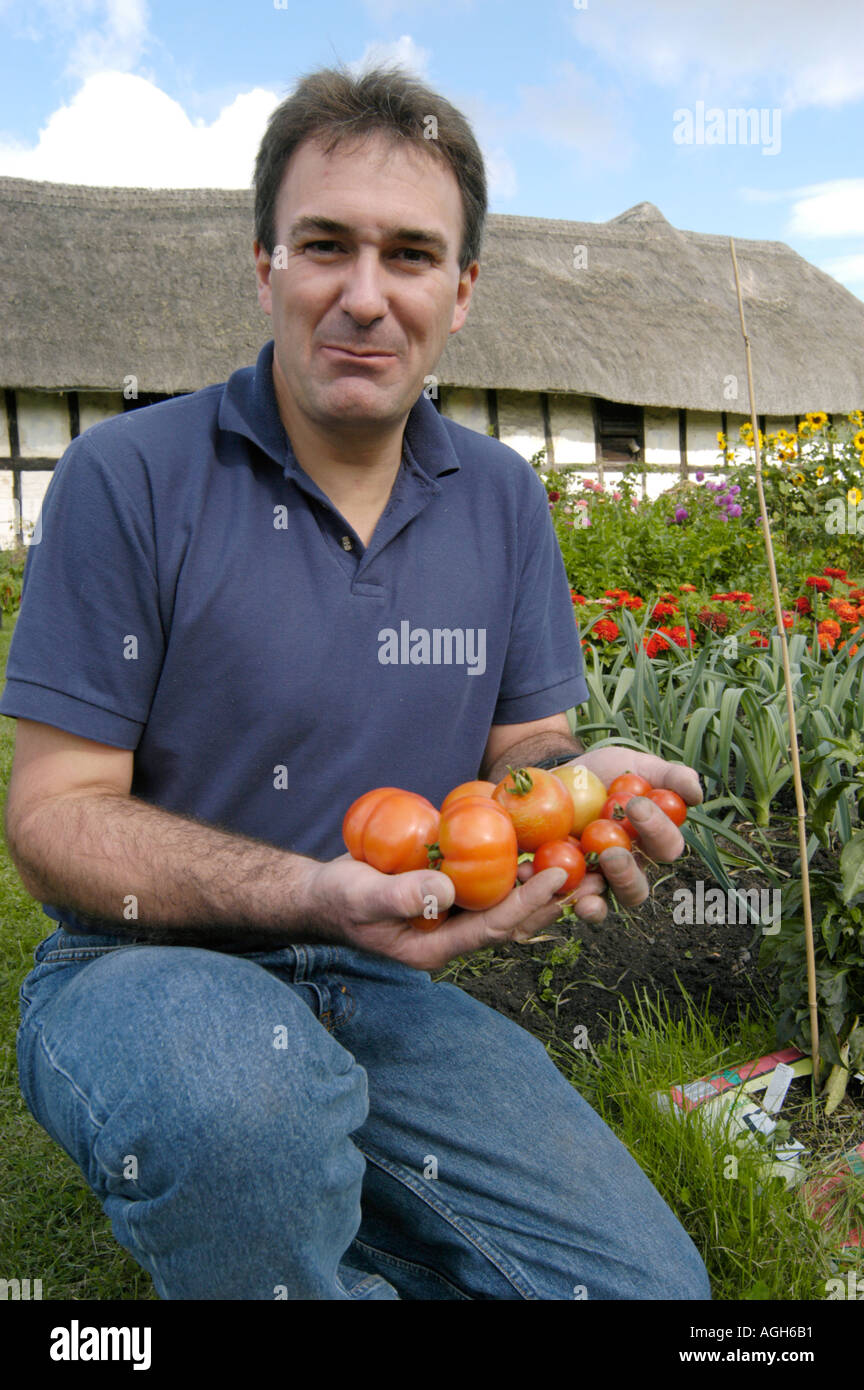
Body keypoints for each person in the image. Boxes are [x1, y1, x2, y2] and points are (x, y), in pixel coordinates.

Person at [2, 63, 710, 1301]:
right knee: (239, 1118)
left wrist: (565, 792)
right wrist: (310, 893)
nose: (365, 297)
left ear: (464, 289)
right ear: (264, 265)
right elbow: (52, 818)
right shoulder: (127, 477)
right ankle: (266, 1184)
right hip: (145, 972)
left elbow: (523, 747)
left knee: (653, 1294)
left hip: (379, 982)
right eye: (325, 244)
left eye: (412, 255)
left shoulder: (501, 499)